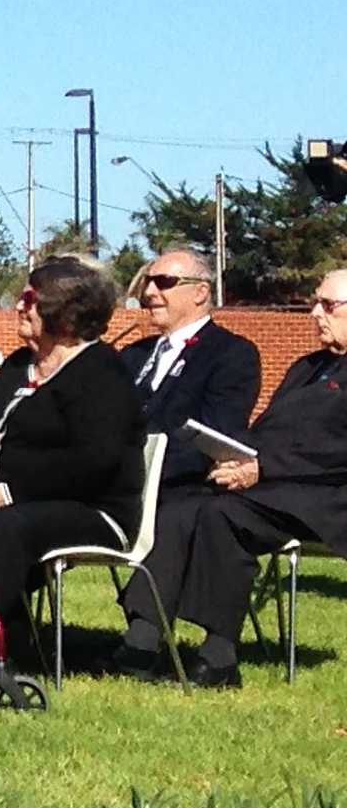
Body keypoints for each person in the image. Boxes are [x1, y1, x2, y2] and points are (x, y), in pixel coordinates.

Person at [125, 270, 347, 688]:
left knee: (223, 514)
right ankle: (144, 633)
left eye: (328, 305)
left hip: (326, 497)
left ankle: (219, 655)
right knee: (186, 504)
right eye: (314, 303)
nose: (315, 313)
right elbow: (267, 431)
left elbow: (334, 450)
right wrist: (235, 457)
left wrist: (264, 467)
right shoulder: (308, 367)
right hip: (275, 485)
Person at [0, 257, 145, 681]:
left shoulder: (101, 374)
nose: (19, 306)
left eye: (31, 299)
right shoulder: (19, 365)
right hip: (4, 502)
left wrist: (8, 491)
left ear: (65, 312)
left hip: (93, 508)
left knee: (8, 525)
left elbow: (94, 461)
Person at [118, 249, 258, 492]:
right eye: (147, 283)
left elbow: (211, 440)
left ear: (200, 292)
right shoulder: (132, 355)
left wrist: (134, 470)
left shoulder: (230, 354)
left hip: (178, 494)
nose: (150, 292)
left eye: (164, 283)